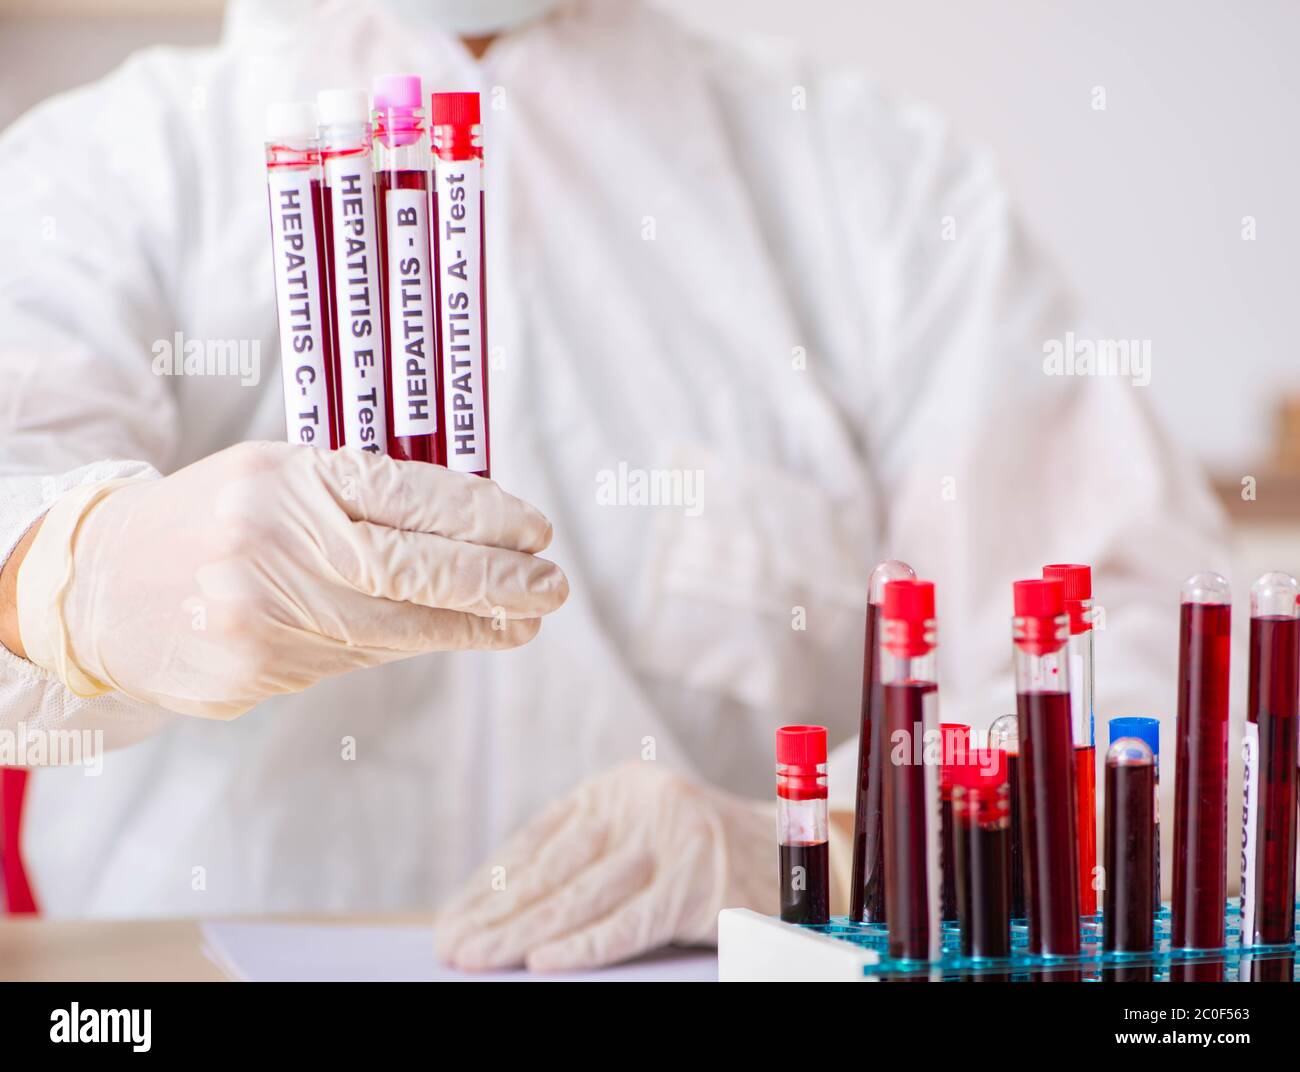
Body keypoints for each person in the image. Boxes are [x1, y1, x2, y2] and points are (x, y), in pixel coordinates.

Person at [0, 0, 1226, 970]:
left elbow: (1139, 662)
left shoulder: (878, 188)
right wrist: (70, 577)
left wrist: (831, 847)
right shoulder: (104, 174)